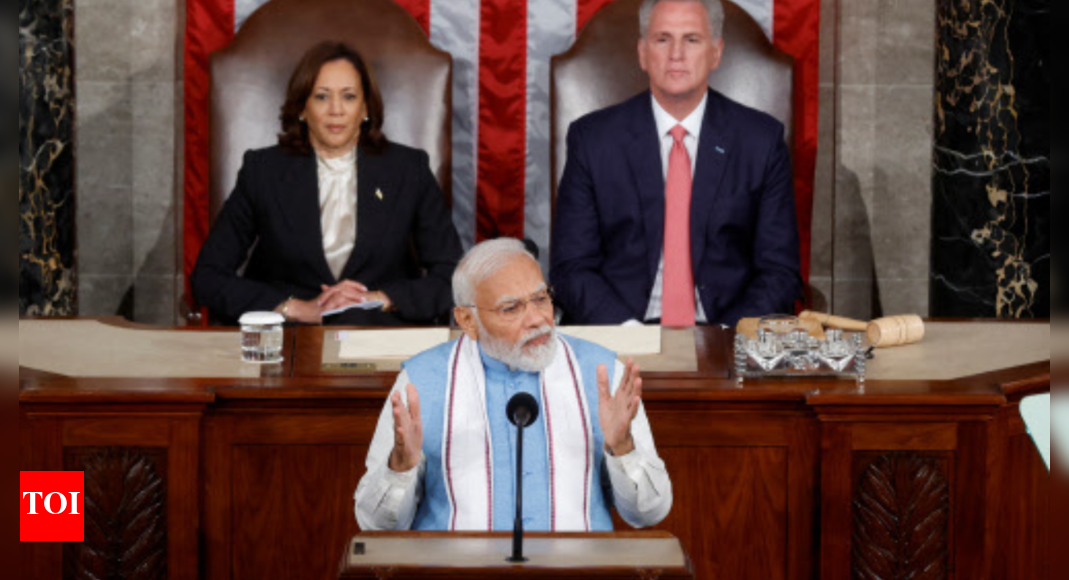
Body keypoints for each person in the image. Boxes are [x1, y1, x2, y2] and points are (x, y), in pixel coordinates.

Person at [354, 238, 672, 531]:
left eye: (541, 299)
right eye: (511, 308)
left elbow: (649, 513)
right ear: (467, 320)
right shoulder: (421, 381)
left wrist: (623, 448)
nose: (537, 319)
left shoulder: (603, 375)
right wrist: (401, 467)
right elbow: (376, 525)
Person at [550, 0, 802, 328]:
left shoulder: (761, 141)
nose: (676, 54)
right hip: (621, 332)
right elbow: (571, 267)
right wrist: (628, 335)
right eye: (663, 39)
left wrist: (728, 337)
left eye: (692, 39)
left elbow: (779, 271)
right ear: (643, 52)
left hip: (725, 334)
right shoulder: (592, 139)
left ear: (716, 52)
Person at [191, 41, 462, 325]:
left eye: (348, 96)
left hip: (380, 336)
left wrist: (379, 299)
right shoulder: (263, 171)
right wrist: (292, 308)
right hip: (288, 339)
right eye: (321, 97)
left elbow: (454, 275)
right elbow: (208, 276)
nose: (336, 110)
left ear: (365, 108)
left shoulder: (409, 169)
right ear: (302, 109)